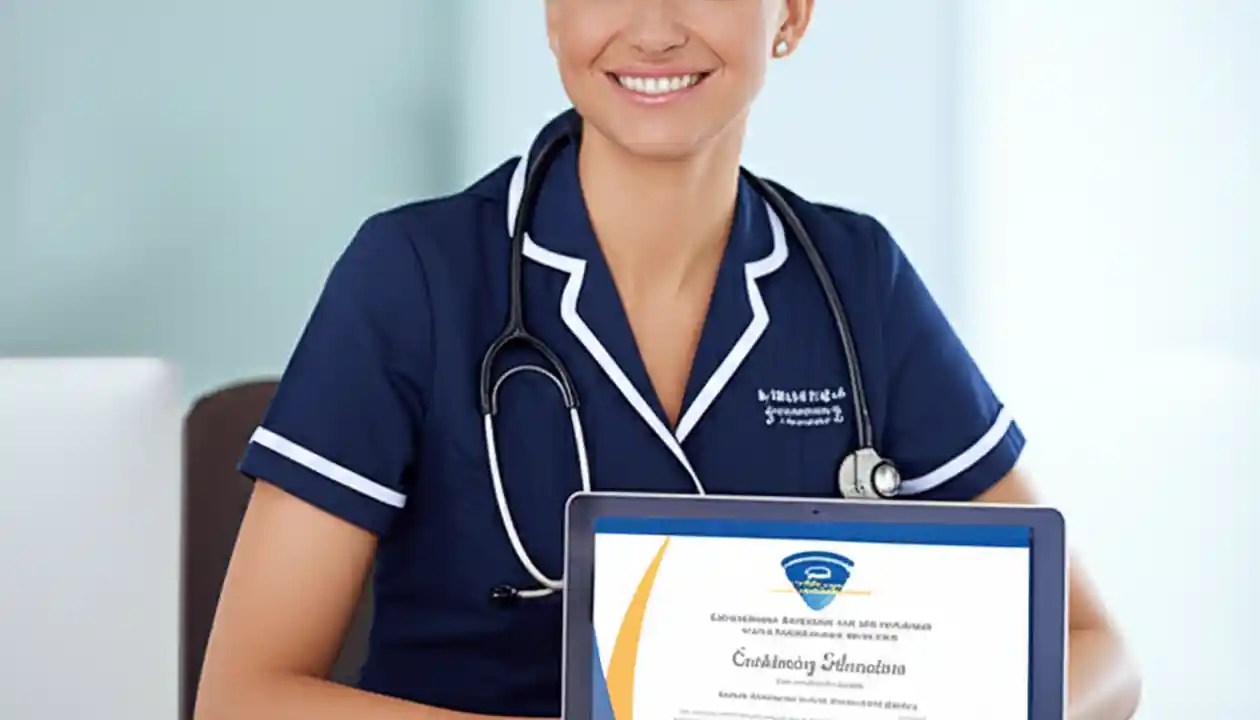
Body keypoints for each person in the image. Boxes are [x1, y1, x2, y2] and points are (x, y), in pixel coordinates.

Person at [194, 1, 1141, 718]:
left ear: (794, 14)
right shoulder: (415, 274)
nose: (654, 30)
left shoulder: (859, 283)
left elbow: (1094, 650)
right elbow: (245, 695)